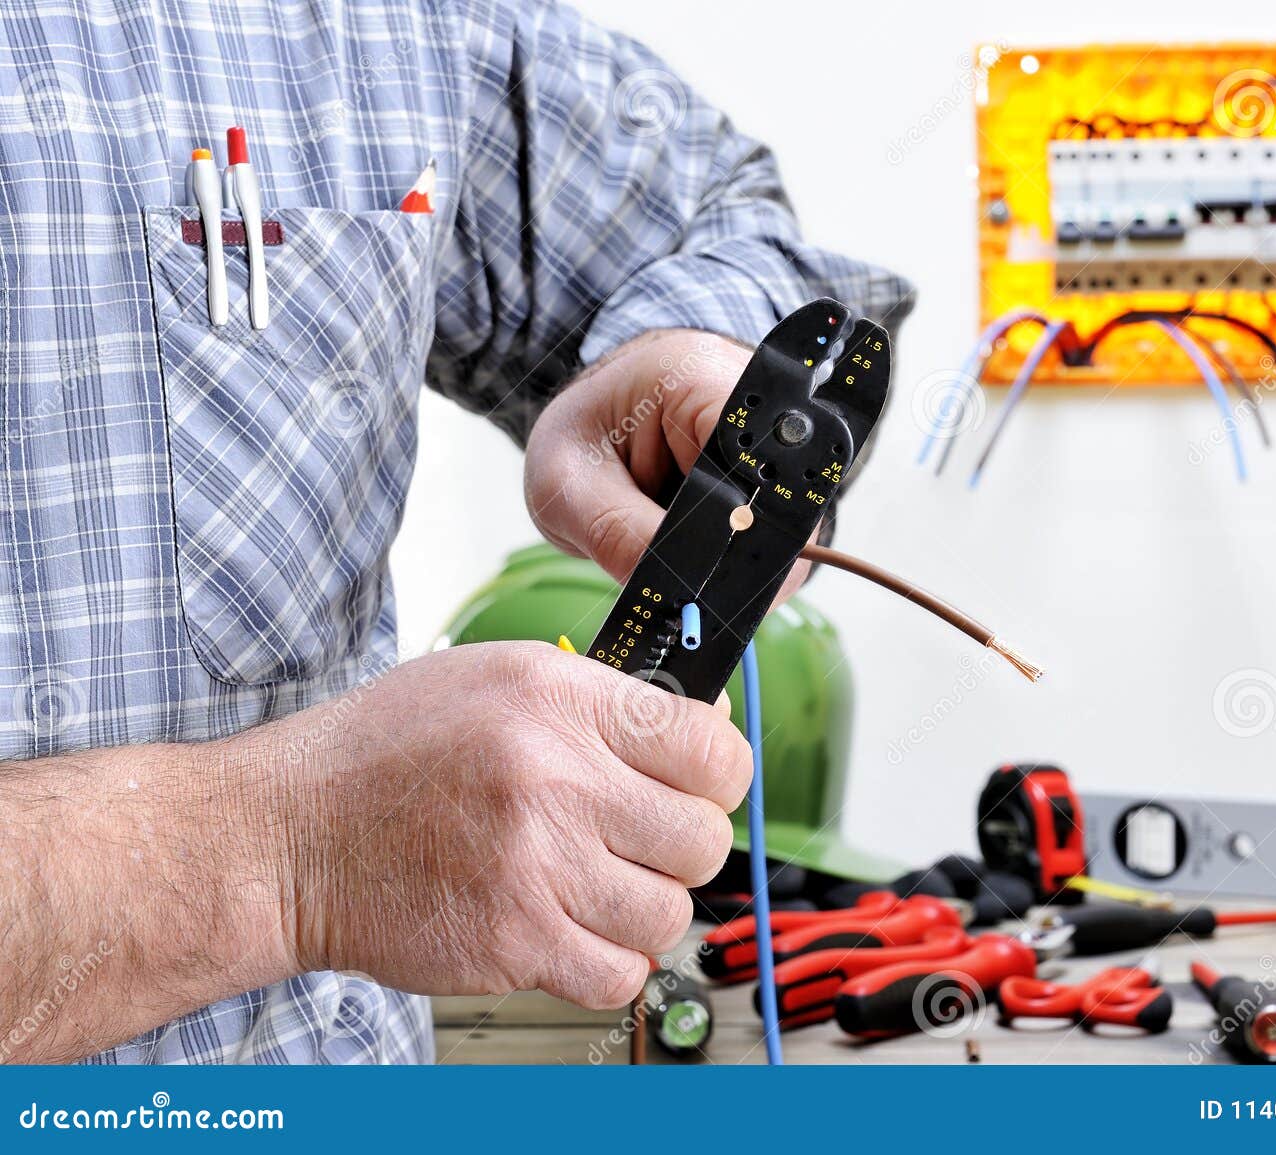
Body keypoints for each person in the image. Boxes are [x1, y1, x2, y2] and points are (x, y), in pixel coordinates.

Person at [0, 0, 911, 1063]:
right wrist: (293, 852)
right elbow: (300, 845)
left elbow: (723, 214)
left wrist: (678, 360)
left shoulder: (395, 26)